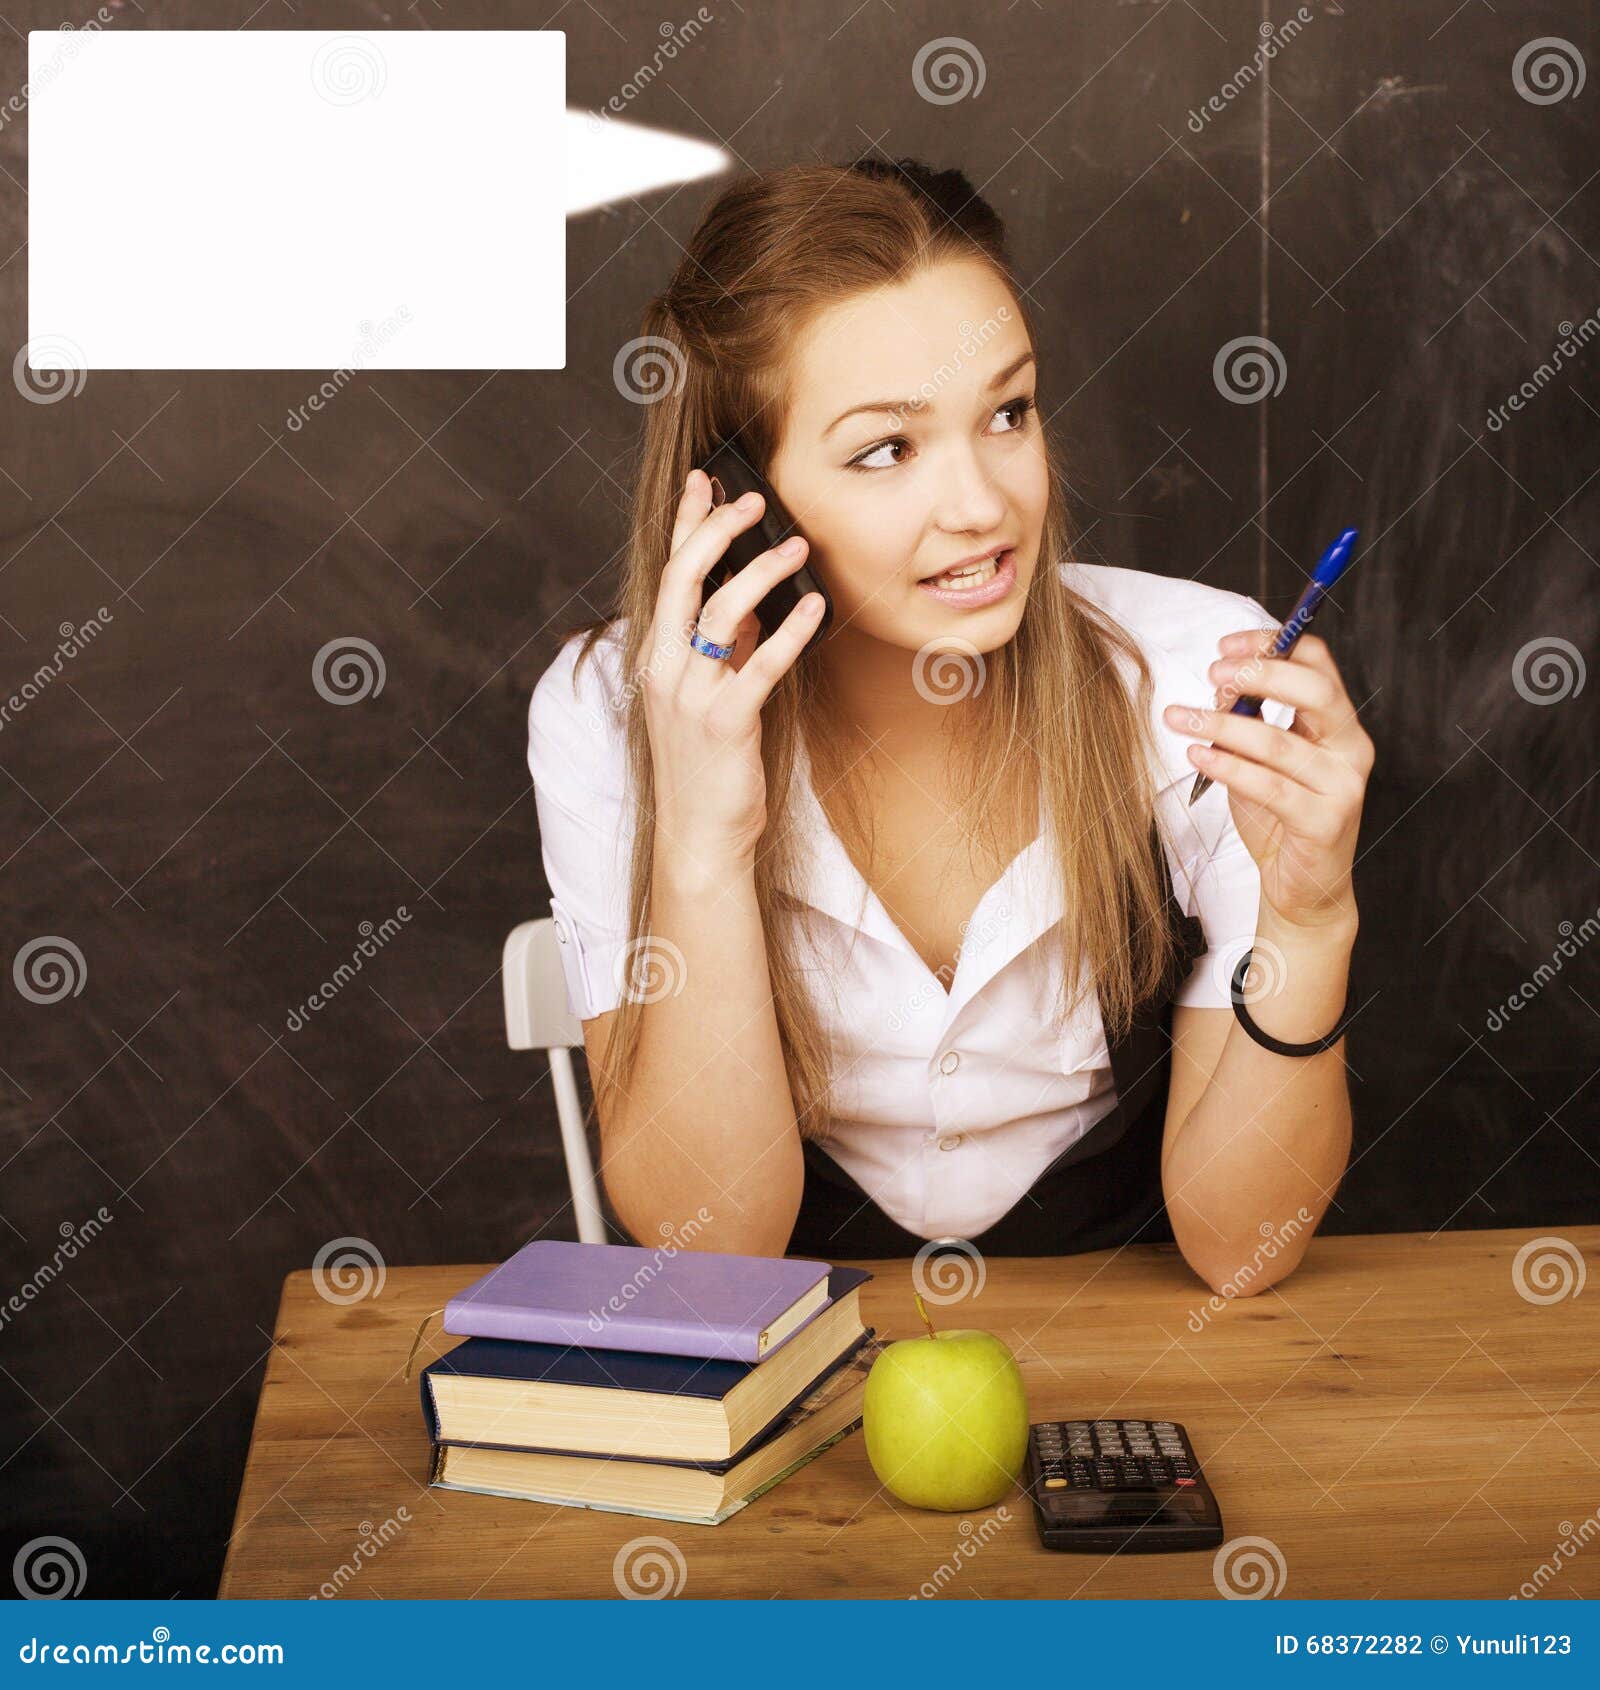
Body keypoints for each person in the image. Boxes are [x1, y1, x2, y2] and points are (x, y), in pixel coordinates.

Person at [527, 157, 1373, 1291]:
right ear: (742, 503)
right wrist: (699, 841)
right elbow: (705, 1246)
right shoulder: (611, 711)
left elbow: (1236, 1248)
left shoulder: (1199, 680)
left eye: (1007, 413)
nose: (983, 505)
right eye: (887, 448)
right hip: (792, 1376)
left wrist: (1308, 928)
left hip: (1139, 1361)